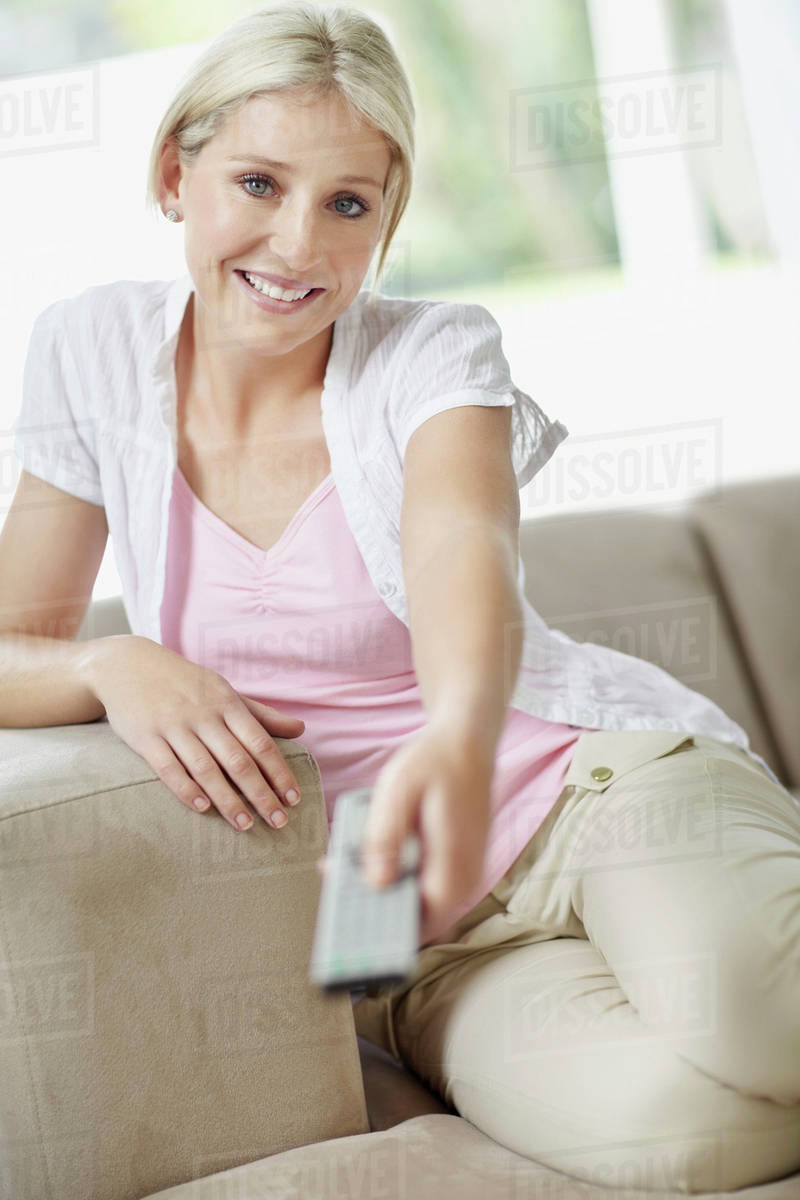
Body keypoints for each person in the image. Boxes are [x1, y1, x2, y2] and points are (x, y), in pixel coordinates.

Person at [3, 3, 799, 1193]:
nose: (296, 245)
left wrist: (460, 745)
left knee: (757, 1018)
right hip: (422, 940)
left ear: (385, 220)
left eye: (347, 204)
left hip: (593, 794)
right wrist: (110, 661)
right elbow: (9, 647)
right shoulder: (92, 353)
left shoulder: (432, 356)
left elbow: (458, 545)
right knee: (677, 1140)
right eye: (258, 183)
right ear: (175, 175)